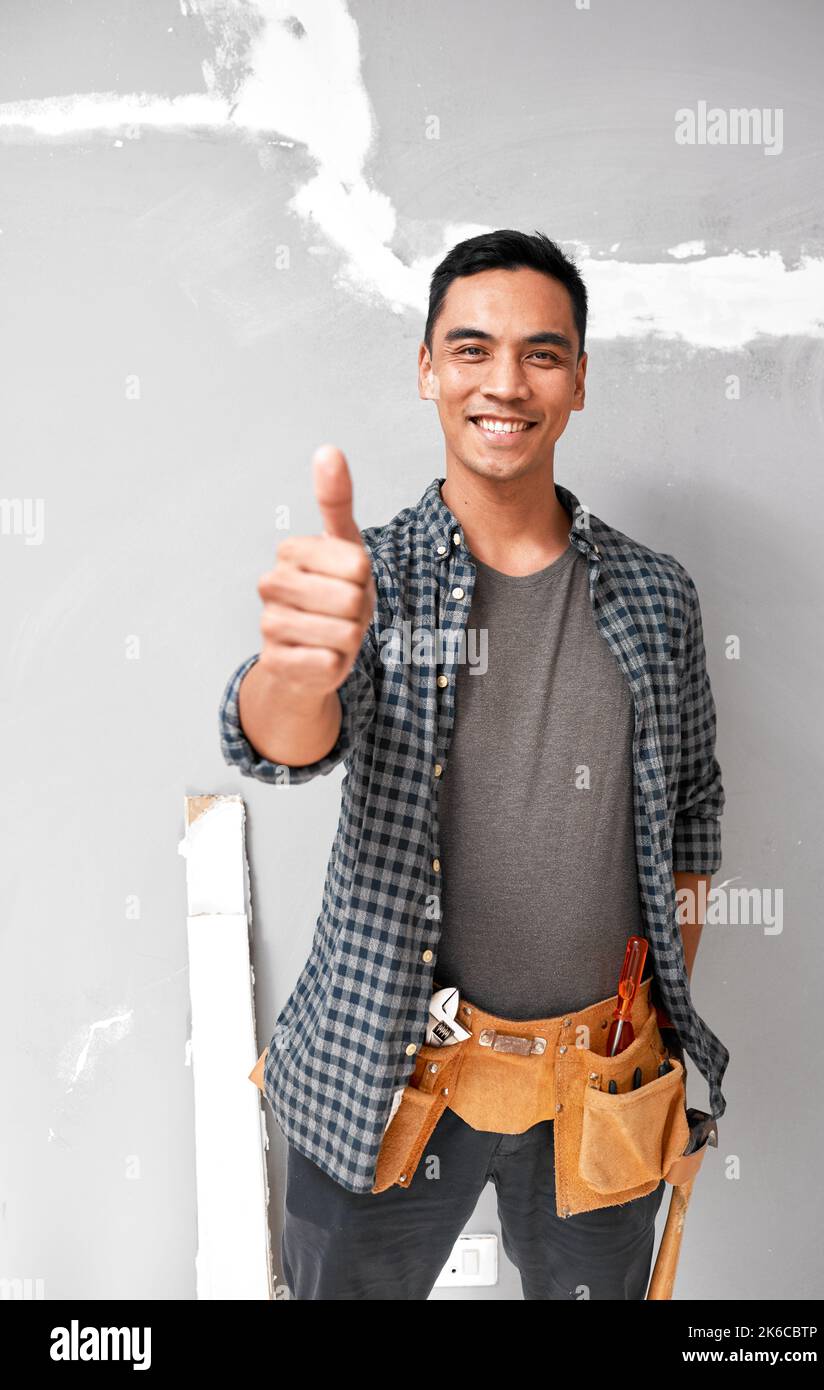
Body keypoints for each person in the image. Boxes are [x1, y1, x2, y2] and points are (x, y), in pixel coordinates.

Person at [218, 229, 727, 1299]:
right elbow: (283, 740)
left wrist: (653, 1016)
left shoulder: (656, 594)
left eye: (543, 353)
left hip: (600, 1078)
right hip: (391, 1072)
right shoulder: (381, 583)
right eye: (471, 349)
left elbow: (690, 816)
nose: (506, 382)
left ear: (581, 379)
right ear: (427, 369)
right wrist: (297, 673)